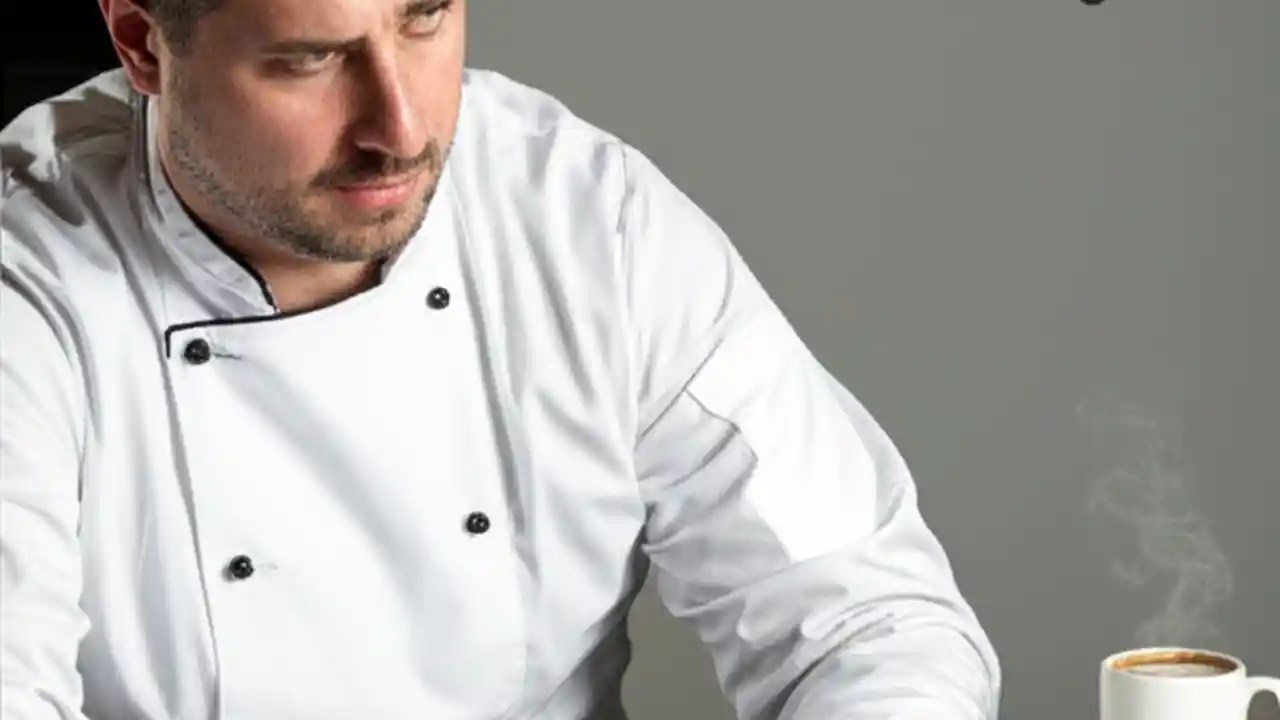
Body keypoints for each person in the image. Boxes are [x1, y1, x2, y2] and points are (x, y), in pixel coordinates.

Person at [0, 0, 1002, 717]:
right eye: (310, 59)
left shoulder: (581, 219)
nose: (399, 130)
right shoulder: (27, 274)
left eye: (424, 18)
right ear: (142, 45)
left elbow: (860, 619)